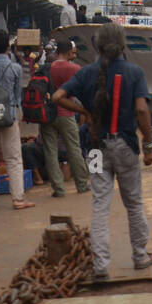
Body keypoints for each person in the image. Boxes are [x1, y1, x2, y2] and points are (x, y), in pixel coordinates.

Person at [51, 22, 152, 279]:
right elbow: (142, 111)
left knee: (100, 204)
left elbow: (57, 98)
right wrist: (149, 145)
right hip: (125, 148)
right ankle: (140, 256)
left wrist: (84, 111)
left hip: (95, 149)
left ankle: (100, 267)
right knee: (134, 203)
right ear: (122, 45)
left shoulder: (86, 73)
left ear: (97, 46)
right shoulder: (134, 72)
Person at [0, 29, 35, 211]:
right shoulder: (15, 68)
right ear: (8, 46)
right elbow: (17, 96)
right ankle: (18, 199)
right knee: (14, 158)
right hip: (9, 116)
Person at [42, 40, 90, 197]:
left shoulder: (48, 67)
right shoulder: (74, 68)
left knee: (50, 151)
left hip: (47, 114)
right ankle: (82, 184)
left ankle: (58, 189)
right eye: (74, 51)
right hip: (66, 113)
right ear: (69, 51)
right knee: (74, 149)